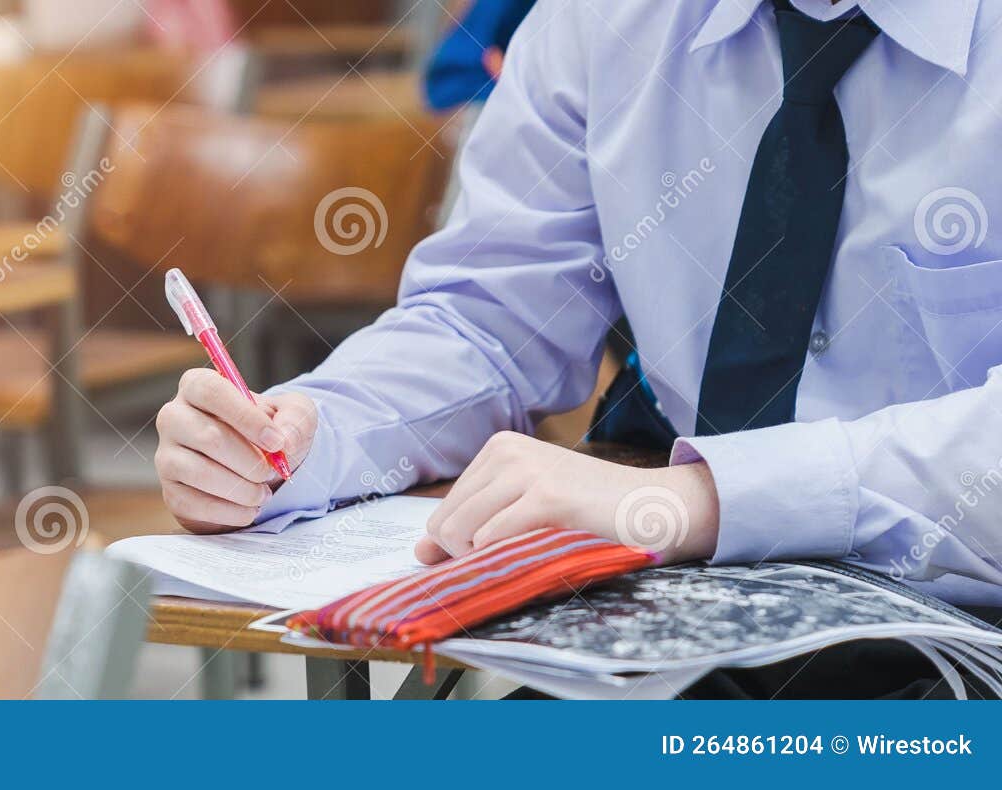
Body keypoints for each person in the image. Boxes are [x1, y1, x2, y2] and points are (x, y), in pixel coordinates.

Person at [154, 0, 1002, 697]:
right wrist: (312, 437)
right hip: (683, 615)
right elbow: (486, 322)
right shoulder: (603, 20)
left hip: (963, 618)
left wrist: (701, 498)